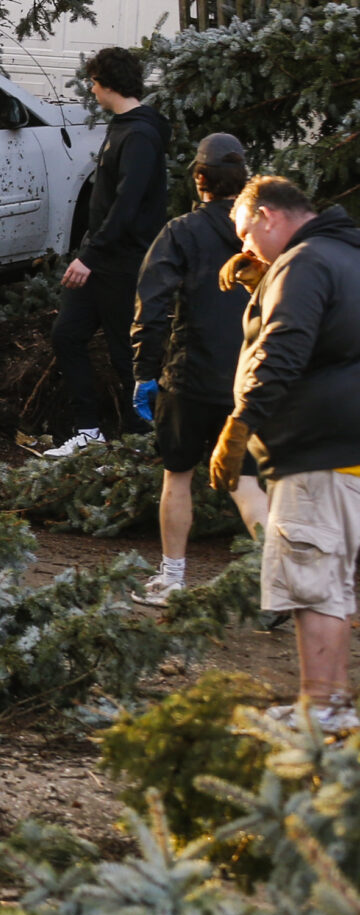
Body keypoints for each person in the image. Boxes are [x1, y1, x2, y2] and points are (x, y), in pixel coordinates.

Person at [210, 177, 360, 725]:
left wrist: (239, 425)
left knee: (312, 579)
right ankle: (336, 707)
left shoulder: (305, 263)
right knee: (336, 580)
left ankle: (321, 707)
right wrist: (265, 283)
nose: (245, 248)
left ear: (269, 215)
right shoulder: (344, 254)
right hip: (347, 447)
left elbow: (286, 348)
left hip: (315, 448)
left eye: (247, 233)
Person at [129, 134, 264, 606]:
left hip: (188, 377)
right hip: (248, 379)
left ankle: (171, 578)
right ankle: (280, 580)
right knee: (246, 480)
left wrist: (145, 371)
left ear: (199, 177)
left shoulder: (181, 231)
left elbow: (154, 303)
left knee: (178, 474)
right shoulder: (264, 236)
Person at [43, 46, 170, 455]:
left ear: (107, 83)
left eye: (94, 83)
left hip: (123, 263)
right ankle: (88, 431)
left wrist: (89, 256)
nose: (92, 91)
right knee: (66, 335)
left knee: (123, 352)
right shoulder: (122, 127)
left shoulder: (140, 135)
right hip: (98, 257)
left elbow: (126, 206)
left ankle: (146, 440)